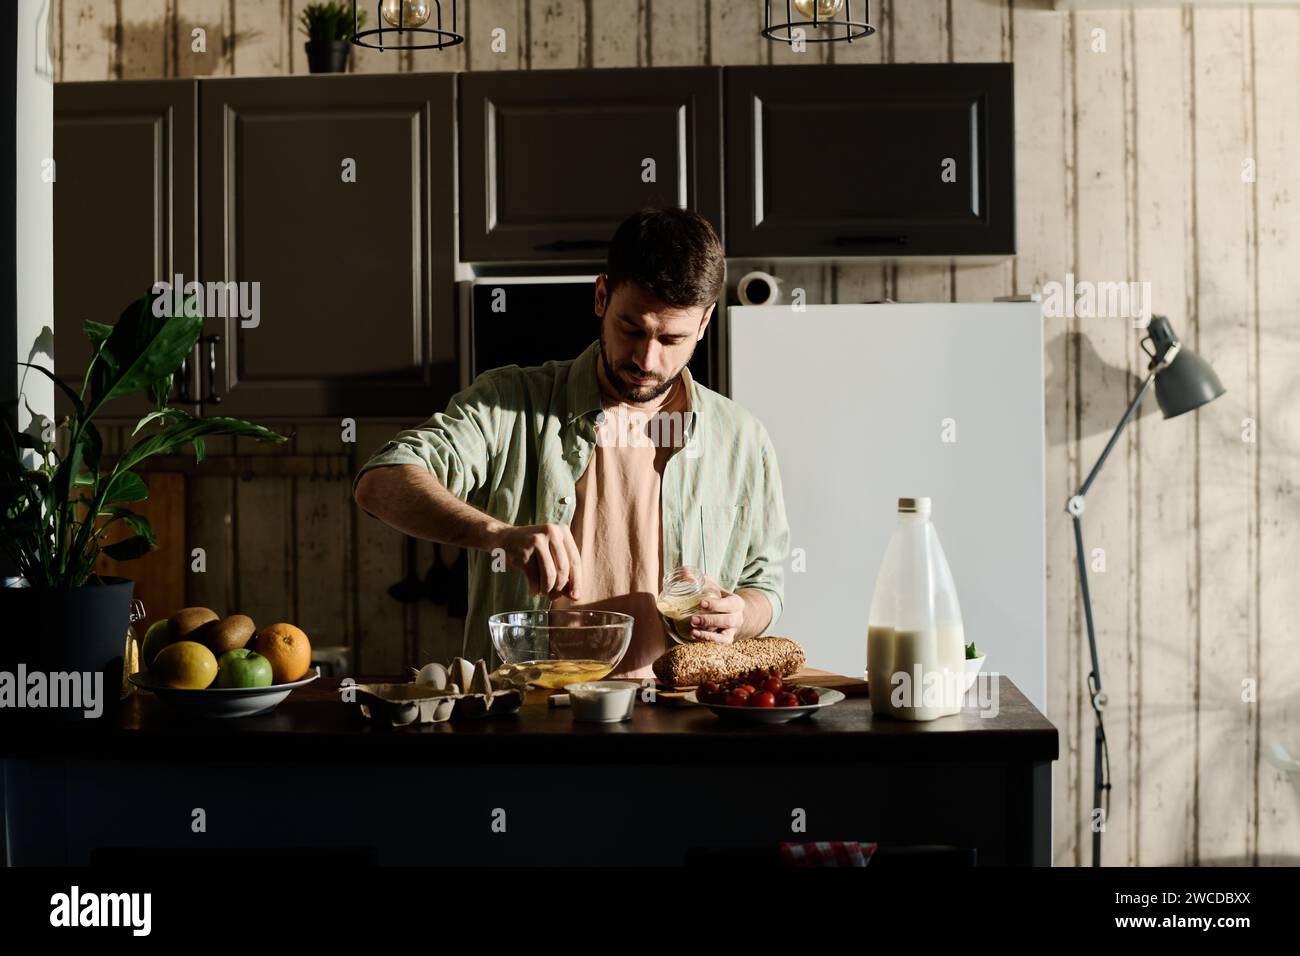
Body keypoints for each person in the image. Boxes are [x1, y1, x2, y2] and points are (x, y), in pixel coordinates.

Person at [353, 207, 789, 678]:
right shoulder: (508, 403)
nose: (647, 358)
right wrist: (499, 536)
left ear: (704, 324)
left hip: (678, 722)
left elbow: (765, 585)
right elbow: (381, 482)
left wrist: (741, 614)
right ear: (602, 296)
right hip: (529, 720)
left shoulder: (742, 439)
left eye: (672, 338)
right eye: (632, 329)